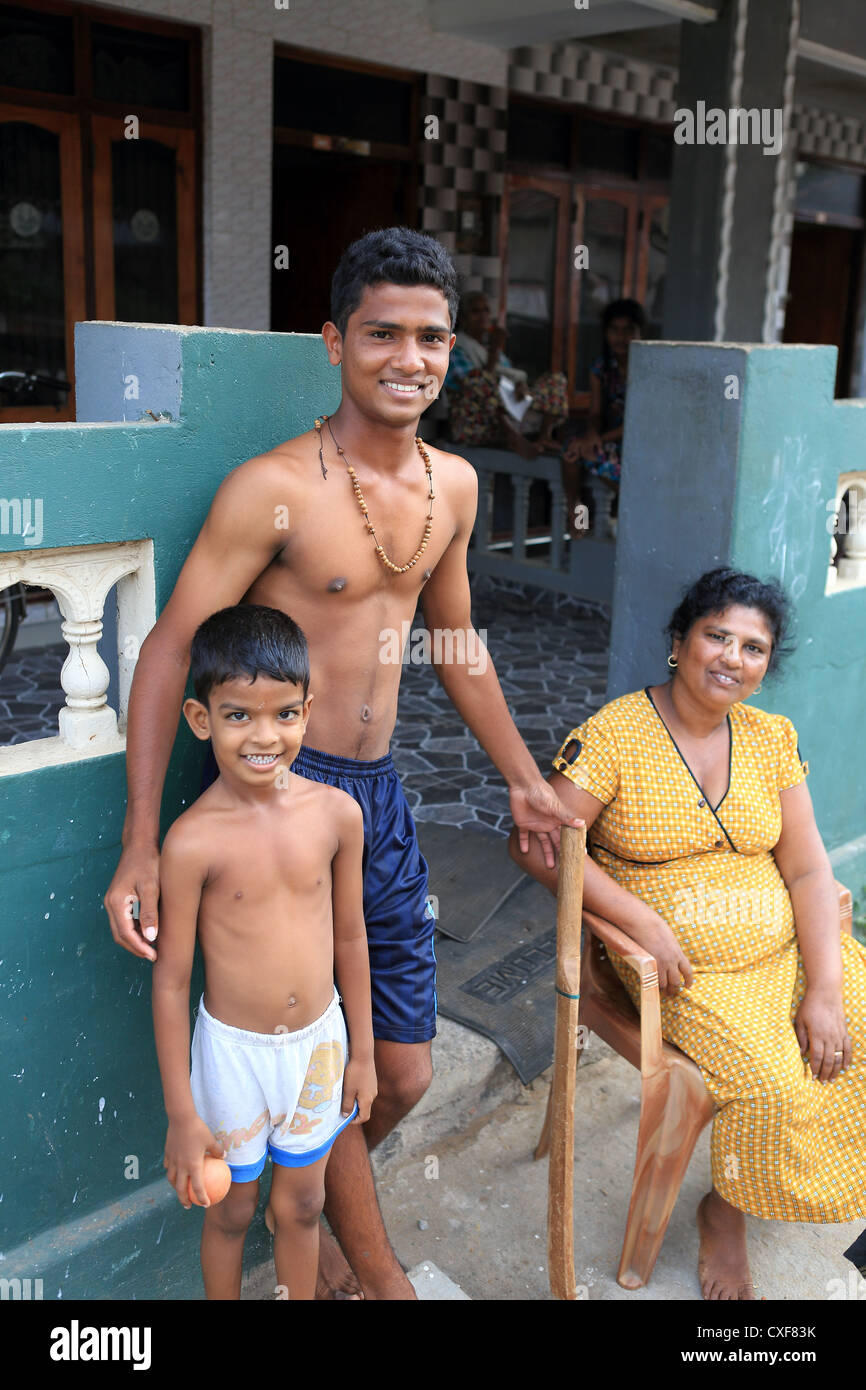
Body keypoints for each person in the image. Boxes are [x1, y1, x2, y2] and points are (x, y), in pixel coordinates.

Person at [104, 225, 580, 1301]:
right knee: (323, 1054)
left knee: (400, 1067)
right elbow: (169, 647)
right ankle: (369, 1279)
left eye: (431, 337)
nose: (408, 358)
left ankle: (305, 1222)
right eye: (381, 334)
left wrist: (518, 774)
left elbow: (454, 645)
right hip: (276, 801)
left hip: (376, 799)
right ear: (332, 342)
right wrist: (140, 839)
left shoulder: (452, 487)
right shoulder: (271, 488)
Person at [511, 568, 866, 1300]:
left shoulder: (772, 739)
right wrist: (639, 919)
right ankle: (723, 1212)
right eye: (717, 636)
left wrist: (824, 988)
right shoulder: (617, 733)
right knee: (772, 1084)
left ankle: (745, 1192)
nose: (732, 657)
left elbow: (804, 870)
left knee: (849, 1032)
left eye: (753, 647)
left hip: (783, 953)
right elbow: (533, 844)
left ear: (767, 667)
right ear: (679, 642)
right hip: (675, 972)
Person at [152, 605, 376, 1300]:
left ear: (308, 711)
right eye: (238, 716)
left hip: (318, 1048)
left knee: (303, 1206)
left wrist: (363, 1052)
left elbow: (350, 937)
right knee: (232, 1210)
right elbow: (171, 983)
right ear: (200, 718)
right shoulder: (191, 842)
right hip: (232, 1060)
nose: (264, 736)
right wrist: (183, 1116)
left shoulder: (338, 815)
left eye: (283, 713)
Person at [445, 291, 569, 458]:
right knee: (478, 380)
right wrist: (494, 351)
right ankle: (513, 438)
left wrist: (520, 387)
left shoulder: (488, 349)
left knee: (556, 378)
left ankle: (545, 436)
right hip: (475, 421)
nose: (482, 316)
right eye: (475, 311)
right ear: (463, 318)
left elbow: (509, 380)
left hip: (510, 412)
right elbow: (477, 385)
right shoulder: (456, 348)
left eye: (486, 310)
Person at [561, 298, 645, 536]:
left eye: (628, 330)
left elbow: (637, 422)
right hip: (610, 440)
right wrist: (591, 434)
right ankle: (574, 511)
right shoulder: (601, 368)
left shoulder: (647, 369)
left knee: (633, 486)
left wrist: (598, 439)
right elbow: (596, 412)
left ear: (640, 332)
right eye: (614, 330)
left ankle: (626, 514)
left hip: (640, 442)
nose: (621, 337)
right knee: (571, 450)